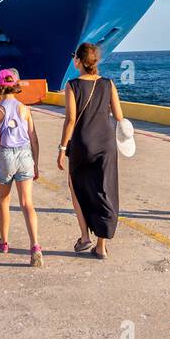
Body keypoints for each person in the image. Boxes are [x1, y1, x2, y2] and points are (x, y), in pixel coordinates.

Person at [58, 42, 124, 259]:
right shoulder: (108, 83)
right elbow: (119, 115)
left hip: (82, 144)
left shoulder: (72, 85)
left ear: (78, 61)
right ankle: (101, 246)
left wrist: (62, 148)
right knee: (103, 190)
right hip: (106, 144)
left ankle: (85, 236)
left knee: (76, 186)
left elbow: (70, 120)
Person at [0, 68, 43, 267]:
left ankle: (3, 243)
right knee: (27, 203)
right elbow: (34, 138)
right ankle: (35, 246)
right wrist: (36, 164)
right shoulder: (25, 109)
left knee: (3, 200)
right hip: (25, 155)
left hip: (6, 157)